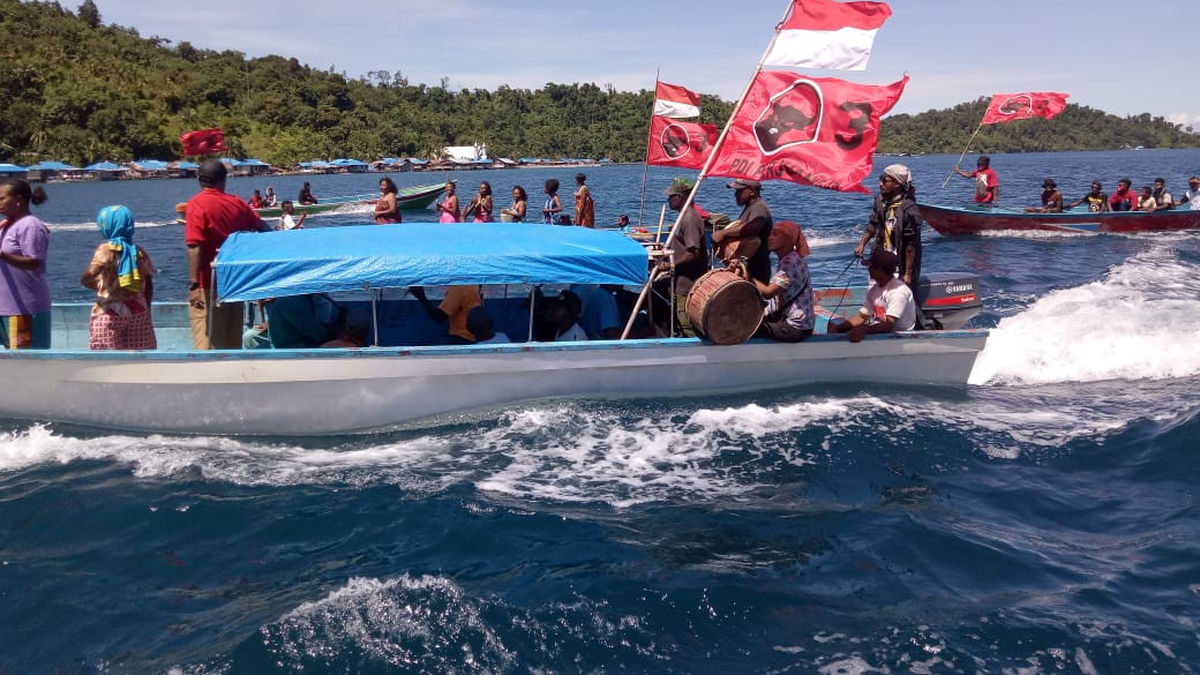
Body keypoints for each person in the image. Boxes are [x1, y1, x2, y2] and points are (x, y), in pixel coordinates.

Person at [184, 159, 268, 349]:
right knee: (232, 345)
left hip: (208, 284)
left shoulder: (196, 204)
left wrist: (193, 285)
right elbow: (263, 229)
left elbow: (194, 246)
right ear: (223, 180)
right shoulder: (238, 203)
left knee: (208, 345)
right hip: (235, 284)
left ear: (199, 179)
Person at [80, 205, 157, 350]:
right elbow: (149, 283)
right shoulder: (139, 251)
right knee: (138, 362)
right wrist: (147, 308)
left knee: (109, 363)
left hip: (109, 313)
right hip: (138, 313)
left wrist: (86, 282)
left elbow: (91, 274)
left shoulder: (106, 250)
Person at [733, 220, 814, 343]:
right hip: (803, 324)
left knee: (744, 327)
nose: (770, 238)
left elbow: (768, 292)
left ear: (788, 239)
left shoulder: (789, 263)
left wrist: (748, 276)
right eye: (770, 234)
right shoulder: (794, 258)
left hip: (794, 328)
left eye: (775, 234)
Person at [0, 178, 52, 349]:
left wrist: (3, 255)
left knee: (23, 363)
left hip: (23, 309)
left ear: (19, 200)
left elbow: (34, 262)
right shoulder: (7, 225)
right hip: (5, 308)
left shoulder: (31, 225)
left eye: (2, 199)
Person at [854, 164, 921, 292]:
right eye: (880, 179)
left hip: (898, 265)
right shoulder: (880, 201)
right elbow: (873, 224)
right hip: (880, 260)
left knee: (895, 300)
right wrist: (862, 244)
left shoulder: (909, 209)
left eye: (884, 180)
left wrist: (908, 273)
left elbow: (910, 245)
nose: (880, 184)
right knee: (875, 297)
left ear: (897, 184)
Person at [828, 250, 916, 343]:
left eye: (872, 267)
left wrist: (865, 329)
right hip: (881, 336)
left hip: (899, 339)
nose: (869, 269)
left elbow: (889, 325)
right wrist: (839, 328)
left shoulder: (899, 291)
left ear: (882, 270)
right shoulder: (875, 289)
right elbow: (862, 317)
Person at [660, 177, 710, 336]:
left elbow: (694, 253)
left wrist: (671, 265)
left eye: (670, 197)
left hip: (688, 283)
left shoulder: (689, 218)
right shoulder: (683, 216)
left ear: (680, 197)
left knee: (686, 322)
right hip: (680, 280)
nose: (668, 200)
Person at [711, 178, 773, 284]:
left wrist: (723, 233)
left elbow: (753, 228)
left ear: (752, 191)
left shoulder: (759, 208)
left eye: (739, 191)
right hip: (749, 269)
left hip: (755, 270)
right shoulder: (751, 207)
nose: (736, 194)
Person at [410, 284, 481, 344]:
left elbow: (439, 317)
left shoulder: (460, 288)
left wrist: (421, 297)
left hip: (461, 337)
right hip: (474, 336)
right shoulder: (475, 285)